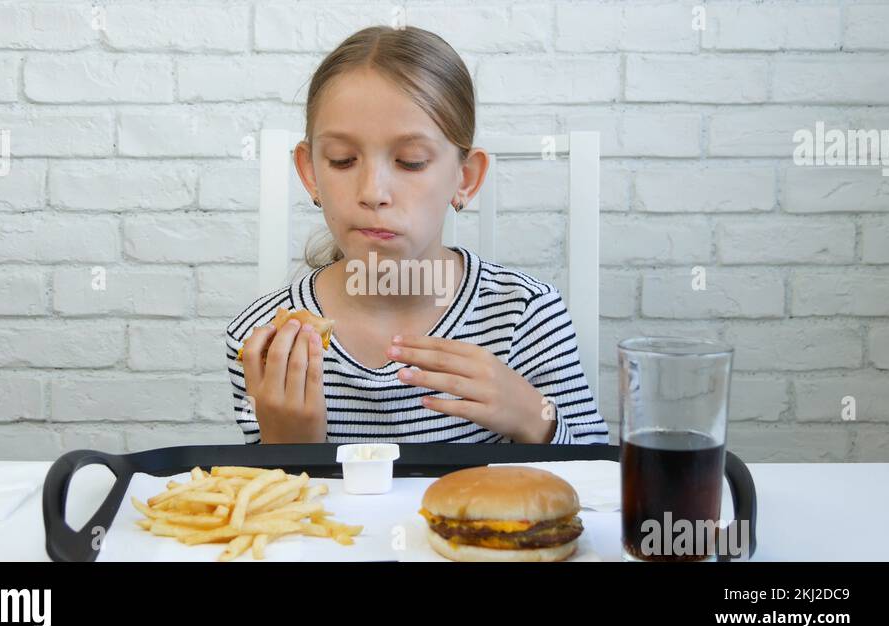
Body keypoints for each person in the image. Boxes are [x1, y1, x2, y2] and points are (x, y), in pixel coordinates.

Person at [226, 25, 609, 445]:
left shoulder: (524, 316)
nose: (373, 192)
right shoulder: (265, 338)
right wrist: (291, 449)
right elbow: (275, 504)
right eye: (342, 160)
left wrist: (535, 416)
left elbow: (596, 485)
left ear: (465, 178)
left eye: (411, 162)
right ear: (310, 172)